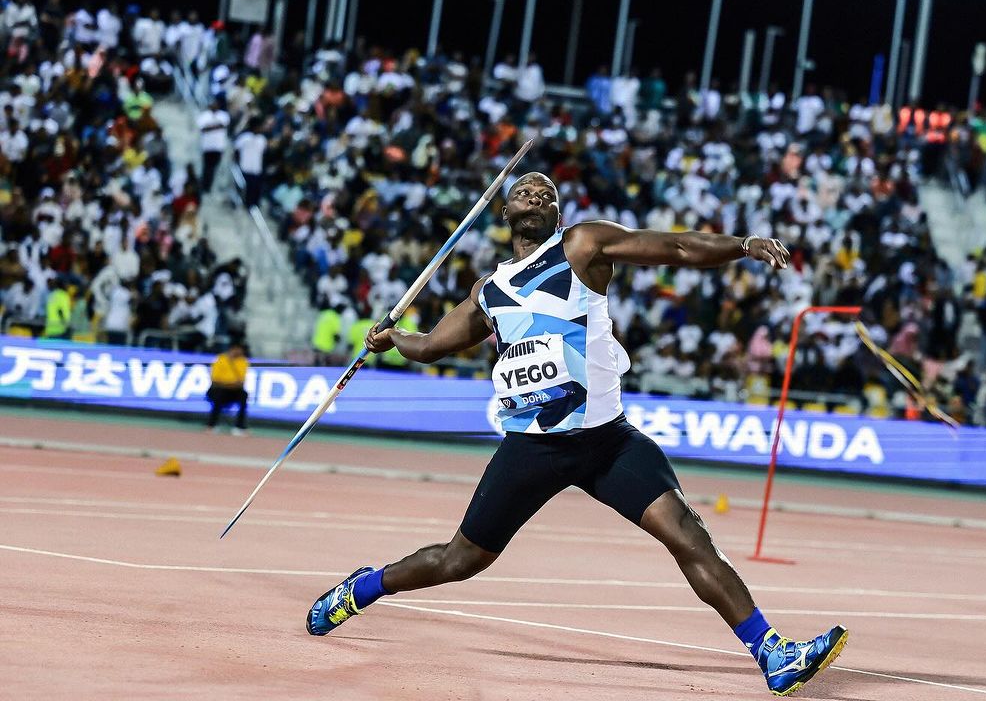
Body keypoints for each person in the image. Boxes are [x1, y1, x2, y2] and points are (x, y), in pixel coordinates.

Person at [305, 172, 847, 697]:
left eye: (546, 193)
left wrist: (744, 245)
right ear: (507, 211)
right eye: (524, 191)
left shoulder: (582, 247)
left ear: (557, 214)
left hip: (608, 442)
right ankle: (363, 587)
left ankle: (772, 652)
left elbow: (677, 248)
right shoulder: (490, 291)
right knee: (460, 561)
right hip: (534, 448)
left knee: (689, 536)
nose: (535, 195)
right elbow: (431, 346)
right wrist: (393, 337)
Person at [206, 341, 249, 436]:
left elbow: (241, 382)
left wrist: (229, 383)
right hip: (218, 389)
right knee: (219, 396)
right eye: (237, 349)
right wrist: (230, 383)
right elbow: (215, 379)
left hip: (234, 391)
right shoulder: (221, 359)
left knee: (244, 395)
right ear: (232, 349)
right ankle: (211, 425)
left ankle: (239, 427)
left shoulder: (243, 361)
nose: (239, 351)